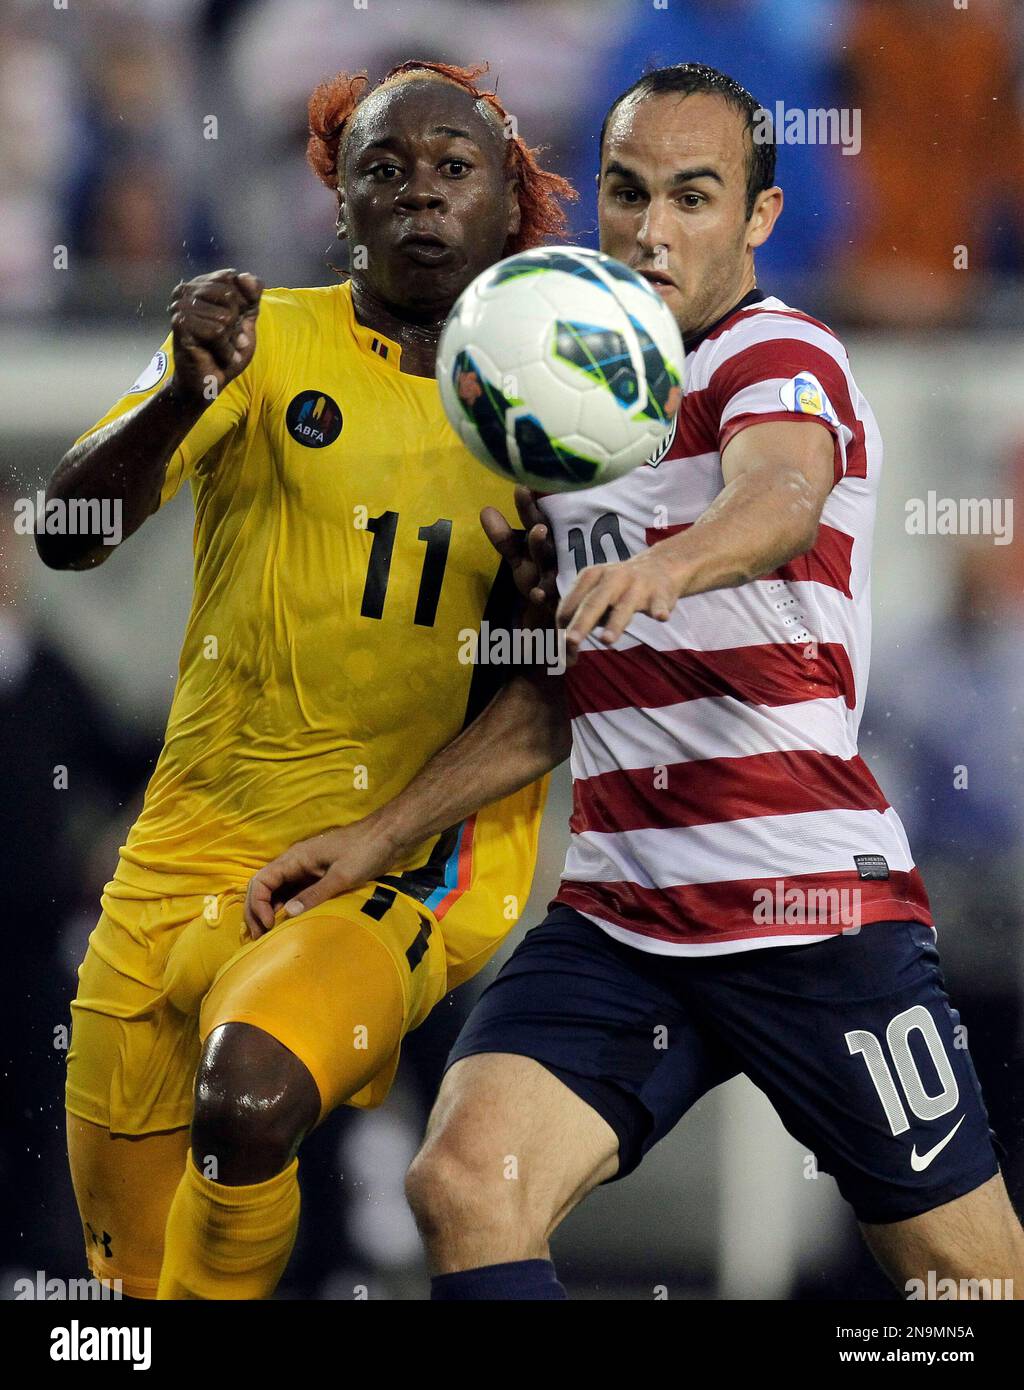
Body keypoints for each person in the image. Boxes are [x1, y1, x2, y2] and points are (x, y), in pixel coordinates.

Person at [252, 64, 1024, 1300]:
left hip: (807, 911)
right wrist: (373, 834)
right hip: (619, 917)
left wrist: (669, 563)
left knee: (968, 1290)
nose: (651, 230)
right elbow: (553, 702)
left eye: (693, 197)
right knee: (464, 1180)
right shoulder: (569, 418)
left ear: (759, 219)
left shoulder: (778, 353)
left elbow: (777, 498)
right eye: (625, 192)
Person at [41, 59, 572, 1300]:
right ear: (339, 207)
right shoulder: (257, 339)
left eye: (455, 170)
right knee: (124, 1299)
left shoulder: (552, 408)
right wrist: (177, 394)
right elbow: (65, 533)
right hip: (186, 850)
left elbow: (545, 697)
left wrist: (544, 606)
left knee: (249, 1096)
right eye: (384, 170)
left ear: (510, 207)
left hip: (396, 866)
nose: (420, 194)